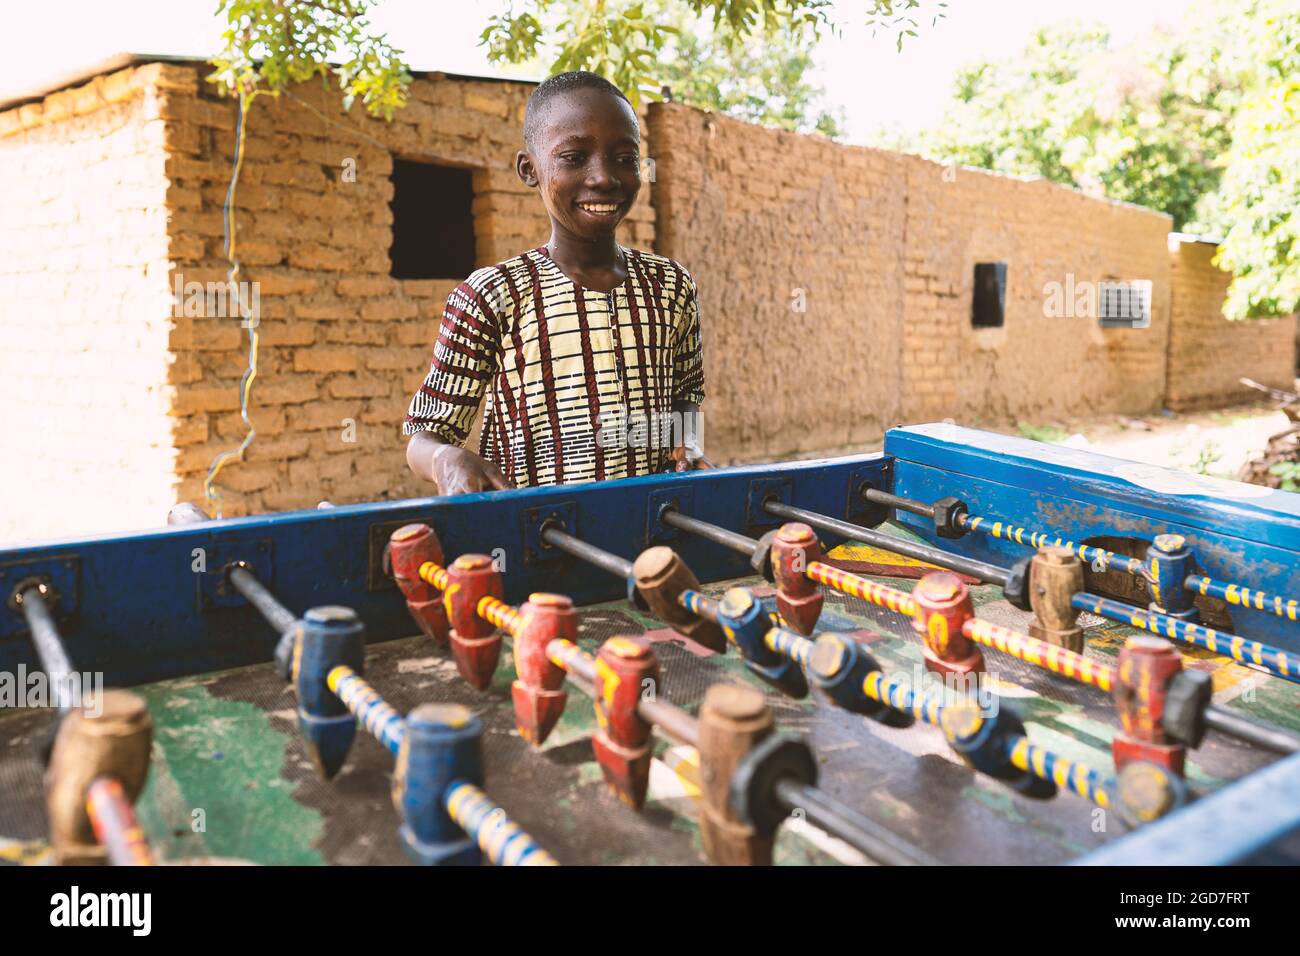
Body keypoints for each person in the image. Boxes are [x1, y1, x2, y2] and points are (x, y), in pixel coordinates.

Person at [403, 71, 708, 496]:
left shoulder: (671, 286)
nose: (604, 178)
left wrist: (687, 444)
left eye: (624, 158)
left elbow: (686, 394)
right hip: (540, 540)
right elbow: (425, 436)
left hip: (652, 531)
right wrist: (445, 459)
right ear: (530, 169)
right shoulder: (493, 295)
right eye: (574, 157)